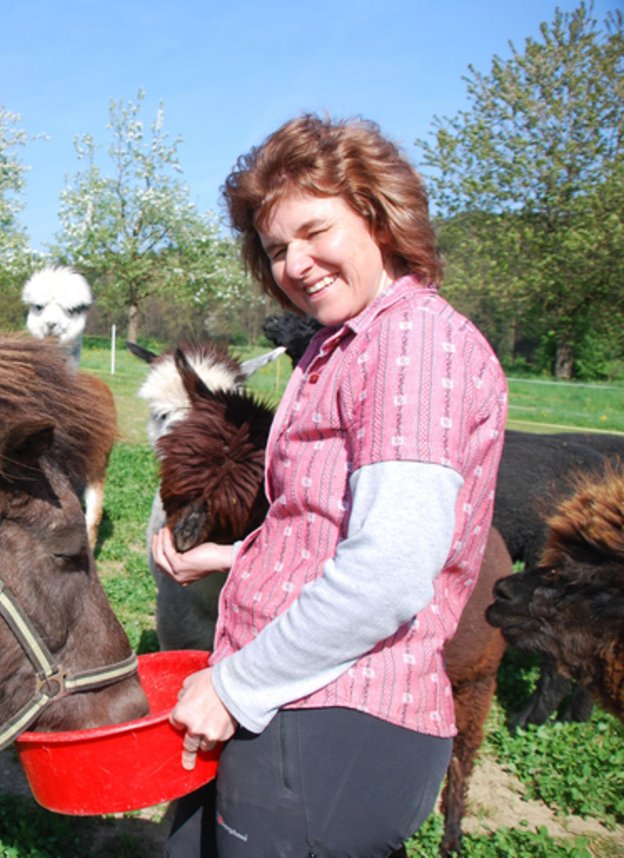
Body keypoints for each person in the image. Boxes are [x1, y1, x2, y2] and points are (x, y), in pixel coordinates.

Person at [153, 114, 507, 857]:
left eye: (316, 231)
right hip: (285, 697)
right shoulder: (348, 344)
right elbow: (321, 525)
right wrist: (227, 561)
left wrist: (232, 686)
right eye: (277, 247)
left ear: (379, 217)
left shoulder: (413, 343)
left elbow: (387, 572)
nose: (296, 262)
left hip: (331, 719)